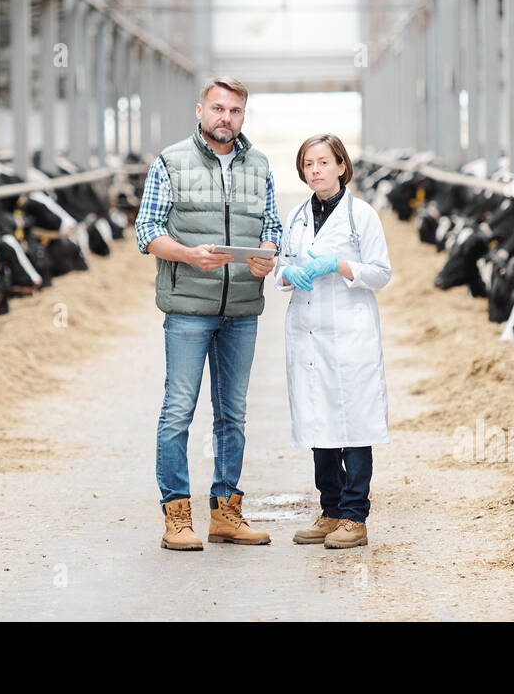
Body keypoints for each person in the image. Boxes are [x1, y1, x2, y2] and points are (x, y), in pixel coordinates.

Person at [135, 78, 282, 551]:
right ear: (200, 110)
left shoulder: (258, 165)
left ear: (243, 116)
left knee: (232, 414)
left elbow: (272, 226)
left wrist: (266, 254)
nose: (226, 118)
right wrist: (186, 254)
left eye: (235, 111)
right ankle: (176, 515)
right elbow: (147, 231)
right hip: (188, 309)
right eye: (218, 108)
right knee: (178, 410)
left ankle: (226, 512)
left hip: (241, 306)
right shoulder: (170, 161)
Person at [273, 134, 391, 549]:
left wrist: (340, 265)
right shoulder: (296, 217)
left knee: (355, 422)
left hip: (350, 331)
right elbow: (280, 269)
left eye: (324, 162)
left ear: (342, 166)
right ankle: (331, 510)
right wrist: (289, 275)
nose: (316, 170)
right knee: (319, 419)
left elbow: (380, 273)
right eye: (308, 164)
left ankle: (355, 516)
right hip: (307, 332)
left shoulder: (362, 216)